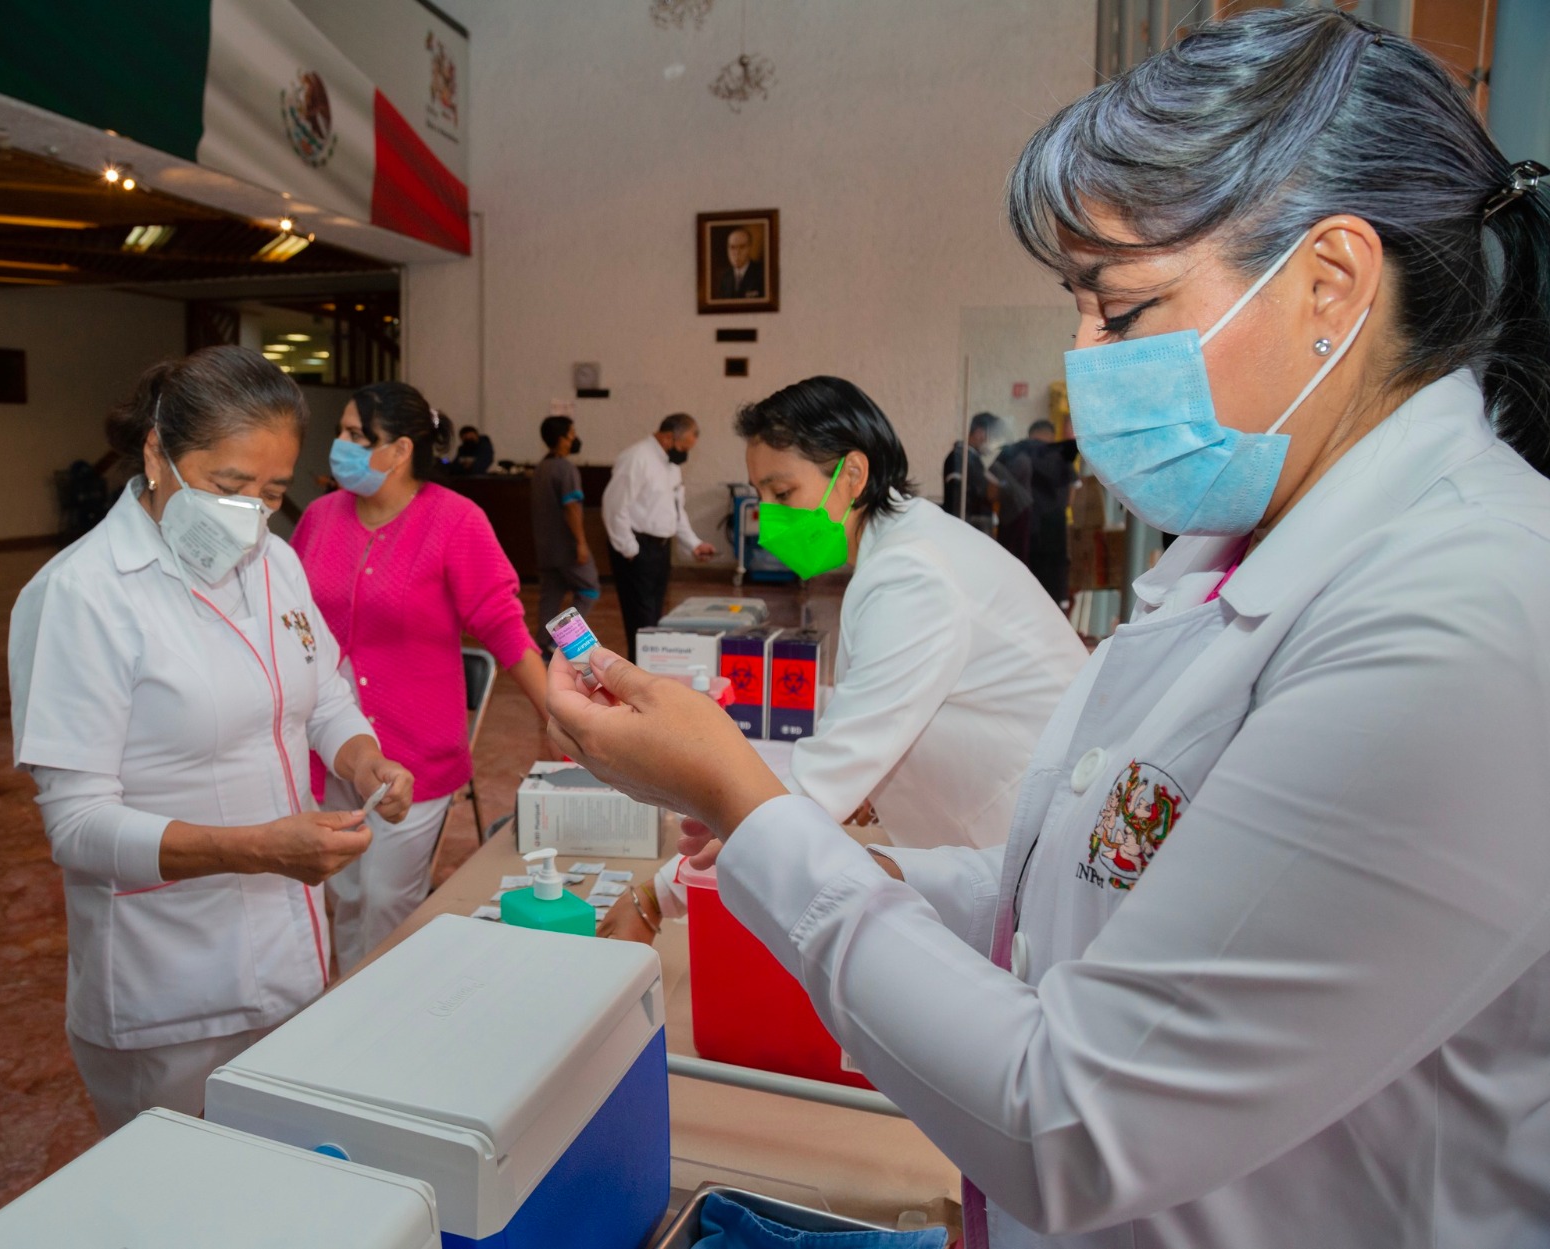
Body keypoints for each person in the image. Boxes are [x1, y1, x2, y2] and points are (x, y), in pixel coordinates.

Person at [545, 11, 1550, 1245]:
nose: (1082, 361)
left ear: (1329, 284)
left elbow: (1076, 1119)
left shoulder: (1467, 613)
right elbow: (1074, 885)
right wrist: (850, 862)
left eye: (1117, 313)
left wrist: (738, 802)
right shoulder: (1234, 556)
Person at [8, 346, 415, 1133]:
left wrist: (362, 757)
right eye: (228, 486)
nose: (249, 513)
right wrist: (257, 847)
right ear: (156, 454)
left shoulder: (275, 563)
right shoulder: (80, 596)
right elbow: (79, 826)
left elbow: (324, 690)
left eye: (273, 491)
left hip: (290, 958)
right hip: (168, 990)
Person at [601, 377, 1085, 942]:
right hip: (1002, 839)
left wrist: (657, 896)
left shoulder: (913, 573)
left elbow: (821, 782)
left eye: (783, 493)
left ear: (852, 475)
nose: (768, 516)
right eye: (761, 496)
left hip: (1036, 854)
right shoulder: (904, 549)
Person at [291, 381, 547, 968]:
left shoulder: (454, 521)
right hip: (325, 743)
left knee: (387, 902)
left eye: (357, 435)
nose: (340, 444)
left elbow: (503, 624)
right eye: (341, 432)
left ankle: (383, 1006)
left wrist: (557, 715)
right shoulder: (322, 517)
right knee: (344, 895)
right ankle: (349, 1006)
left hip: (414, 747)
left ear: (401, 449)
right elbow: (290, 614)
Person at [602, 413, 717, 657]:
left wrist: (693, 543)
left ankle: (648, 667)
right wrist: (630, 550)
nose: (684, 454)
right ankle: (637, 670)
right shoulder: (637, 459)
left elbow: (676, 510)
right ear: (667, 437)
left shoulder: (671, 465)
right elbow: (614, 507)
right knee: (640, 619)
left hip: (661, 548)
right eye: (683, 448)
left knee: (654, 616)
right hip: (637, 547)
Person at [531, 415, 600, 653]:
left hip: (545, 548)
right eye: (571, 434)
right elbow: (571, 508)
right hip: (566, 547)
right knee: (590, 589)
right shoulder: (565, 469)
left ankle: (542, 647)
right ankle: (560, 640)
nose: (575, 438)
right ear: (562, 439)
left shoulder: (541, 468)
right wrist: (581, 542)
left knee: (551, 594)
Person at [996, 419, 1078, 603]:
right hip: (1053, 536)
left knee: (1016, 592)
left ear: (1030, 433)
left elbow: (994, 488)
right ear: (1051, 436)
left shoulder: (1013, 452)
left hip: (1018, 532)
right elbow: (1071, 499)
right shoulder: (1061, 455)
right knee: (1048, 597)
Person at [942, 412, 1002, 535]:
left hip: (972, 528)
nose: (993, 442)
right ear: (979, 433)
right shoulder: (959, 458)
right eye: (993, 436)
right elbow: (957, 500)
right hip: (964, 530)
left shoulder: (972, 459)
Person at [714, 227, 765, 300]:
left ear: (750, 248)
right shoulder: (725, 278)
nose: (737, 252)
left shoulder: (762, 274)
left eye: (742, 247)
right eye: (732, 247)